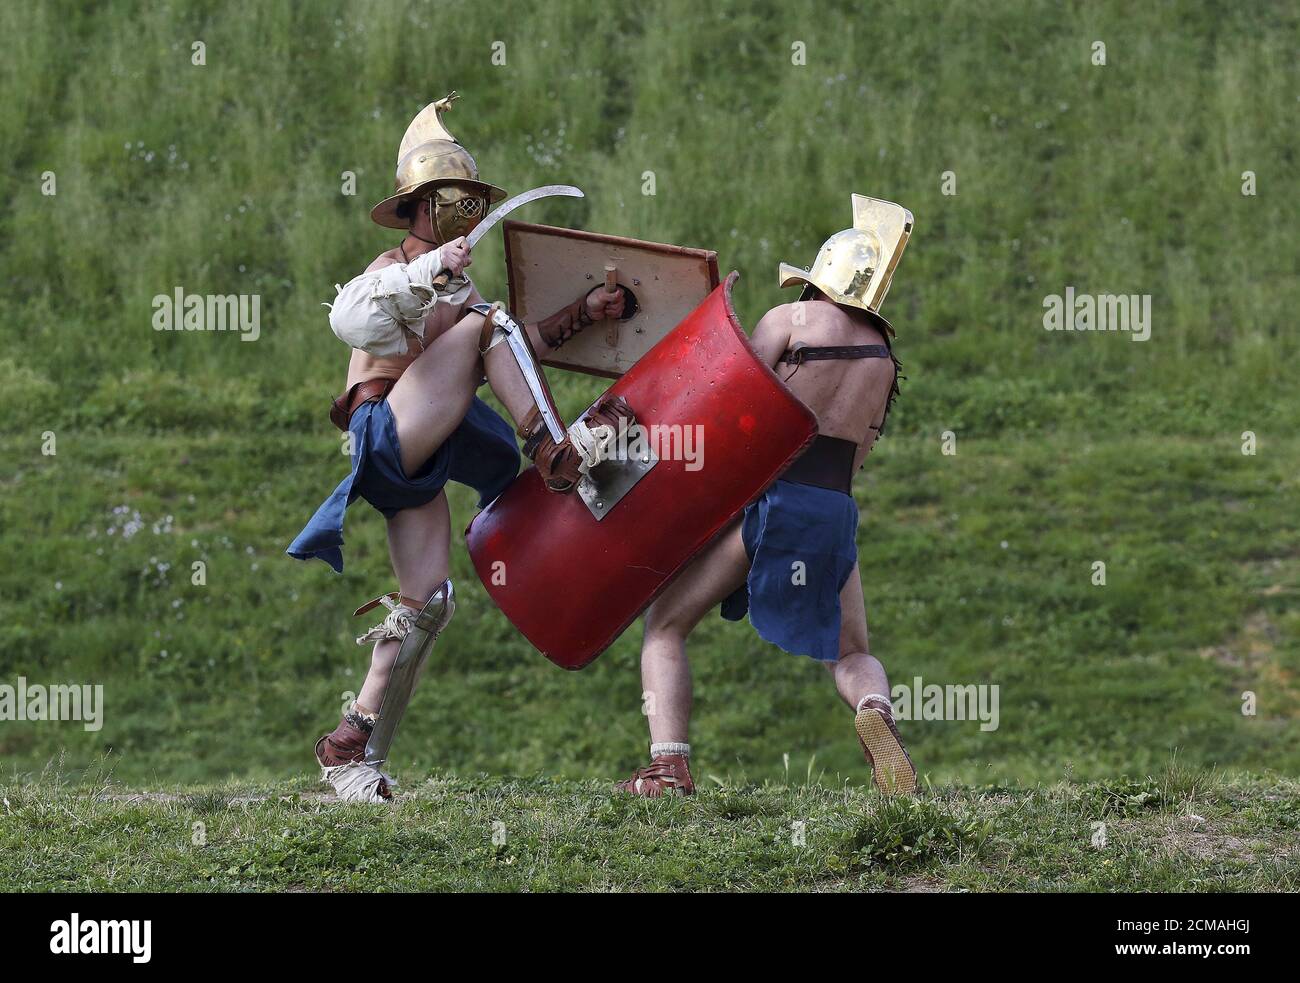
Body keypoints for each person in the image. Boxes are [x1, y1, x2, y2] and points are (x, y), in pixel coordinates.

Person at [288, 92, 630, 802]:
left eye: (469, 203)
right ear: (421, 208)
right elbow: (351, 318)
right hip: (387, 432)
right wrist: (426, 273)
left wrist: (581, 315)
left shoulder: (459, 290)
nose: (465, 216)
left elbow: (509, 347)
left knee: (429, 601)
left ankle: (355, 749)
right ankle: (559, 453)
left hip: (420, 456)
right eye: (452, 203)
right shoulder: (392, 272)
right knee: (490, 325)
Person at [617, 203, 917, 797]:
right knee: (852, 651)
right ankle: (876, 709)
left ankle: (668, 768)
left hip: (771, 502)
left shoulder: (792, 319)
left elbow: (731, 400)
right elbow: (859, 454)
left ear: (819, 274)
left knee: (666, 626)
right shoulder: (883, 360)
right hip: (832, 510)